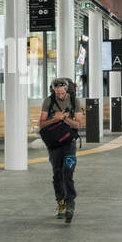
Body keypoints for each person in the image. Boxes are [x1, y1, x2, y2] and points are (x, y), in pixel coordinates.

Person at [38, 77, 83, 224]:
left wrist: (64, 119)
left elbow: (78, 125)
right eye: (57, 92)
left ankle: (70, 203)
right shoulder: (48, 101)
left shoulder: (74, 101)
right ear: (53, 90)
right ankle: (61, 204)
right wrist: (55, 119)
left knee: (68, 172)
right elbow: (41, 124)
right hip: (54, 145)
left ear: (67, 90)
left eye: (62, 92)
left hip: (69, 143)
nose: (60, 95)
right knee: (57, 174)